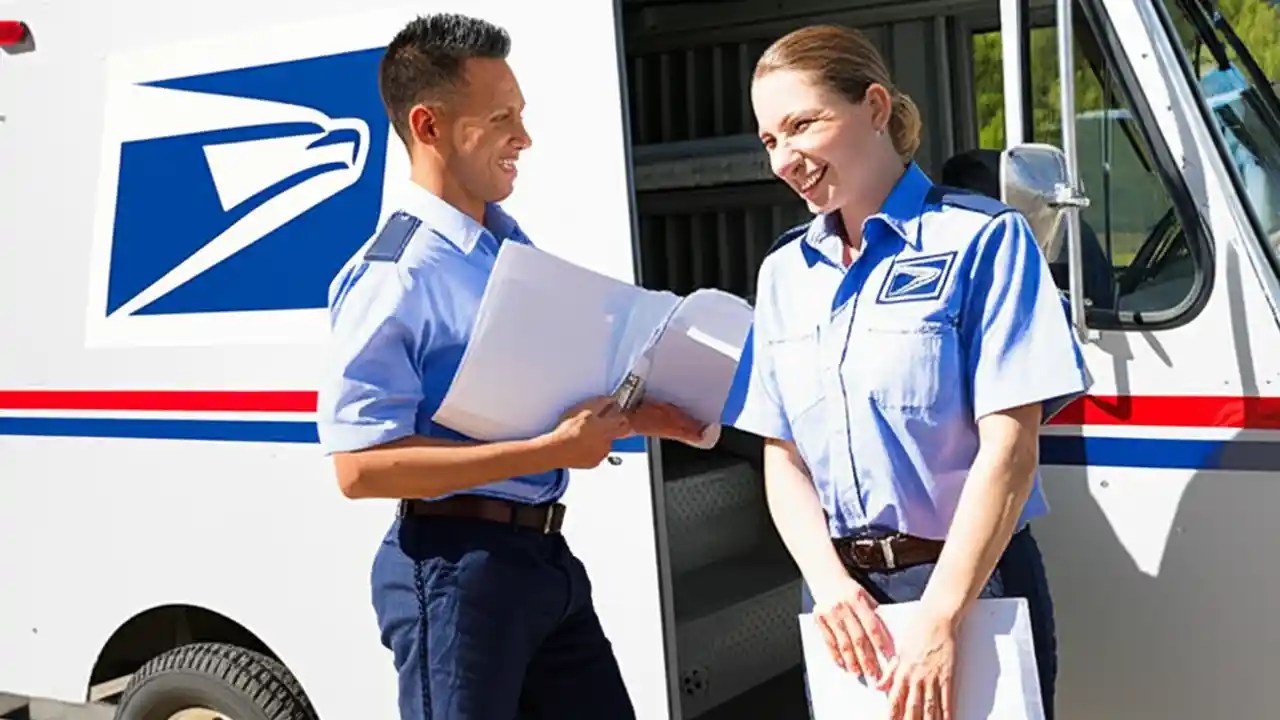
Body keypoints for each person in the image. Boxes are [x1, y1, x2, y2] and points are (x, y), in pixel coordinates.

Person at [315, 13, 708, 720]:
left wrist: (635, 414)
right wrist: (545, 451)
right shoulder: (394, 274)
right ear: (429, 127)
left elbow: (537, 390)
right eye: (502, 118)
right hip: (452, 572)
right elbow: (358, 467)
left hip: (540, 563)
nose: (523, 138)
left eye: (520, 115)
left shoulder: (503, 246)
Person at [727, 24, 1088, 720]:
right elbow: (782, 454)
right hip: (843, 602)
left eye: (802, 125)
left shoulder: (984, 239)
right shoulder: (784, 273)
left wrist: (942, 616)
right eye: (770, 139)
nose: (784, 159)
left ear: (875, 107)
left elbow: (1009, 451)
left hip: (971, 587)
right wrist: (829, 585)